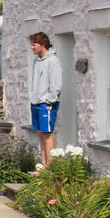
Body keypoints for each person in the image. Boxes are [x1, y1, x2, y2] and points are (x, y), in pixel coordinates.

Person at [28, 31, 62, 167]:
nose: (32, 47)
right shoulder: (37, 61)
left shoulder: (53, 61)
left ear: (43, 45)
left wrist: (49, 100)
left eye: (34, 44)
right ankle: (44, 165)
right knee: (40, 134)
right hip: (35, 102)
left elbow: (56, 84)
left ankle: (51, 168)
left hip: (46, 104)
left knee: (47, 134)